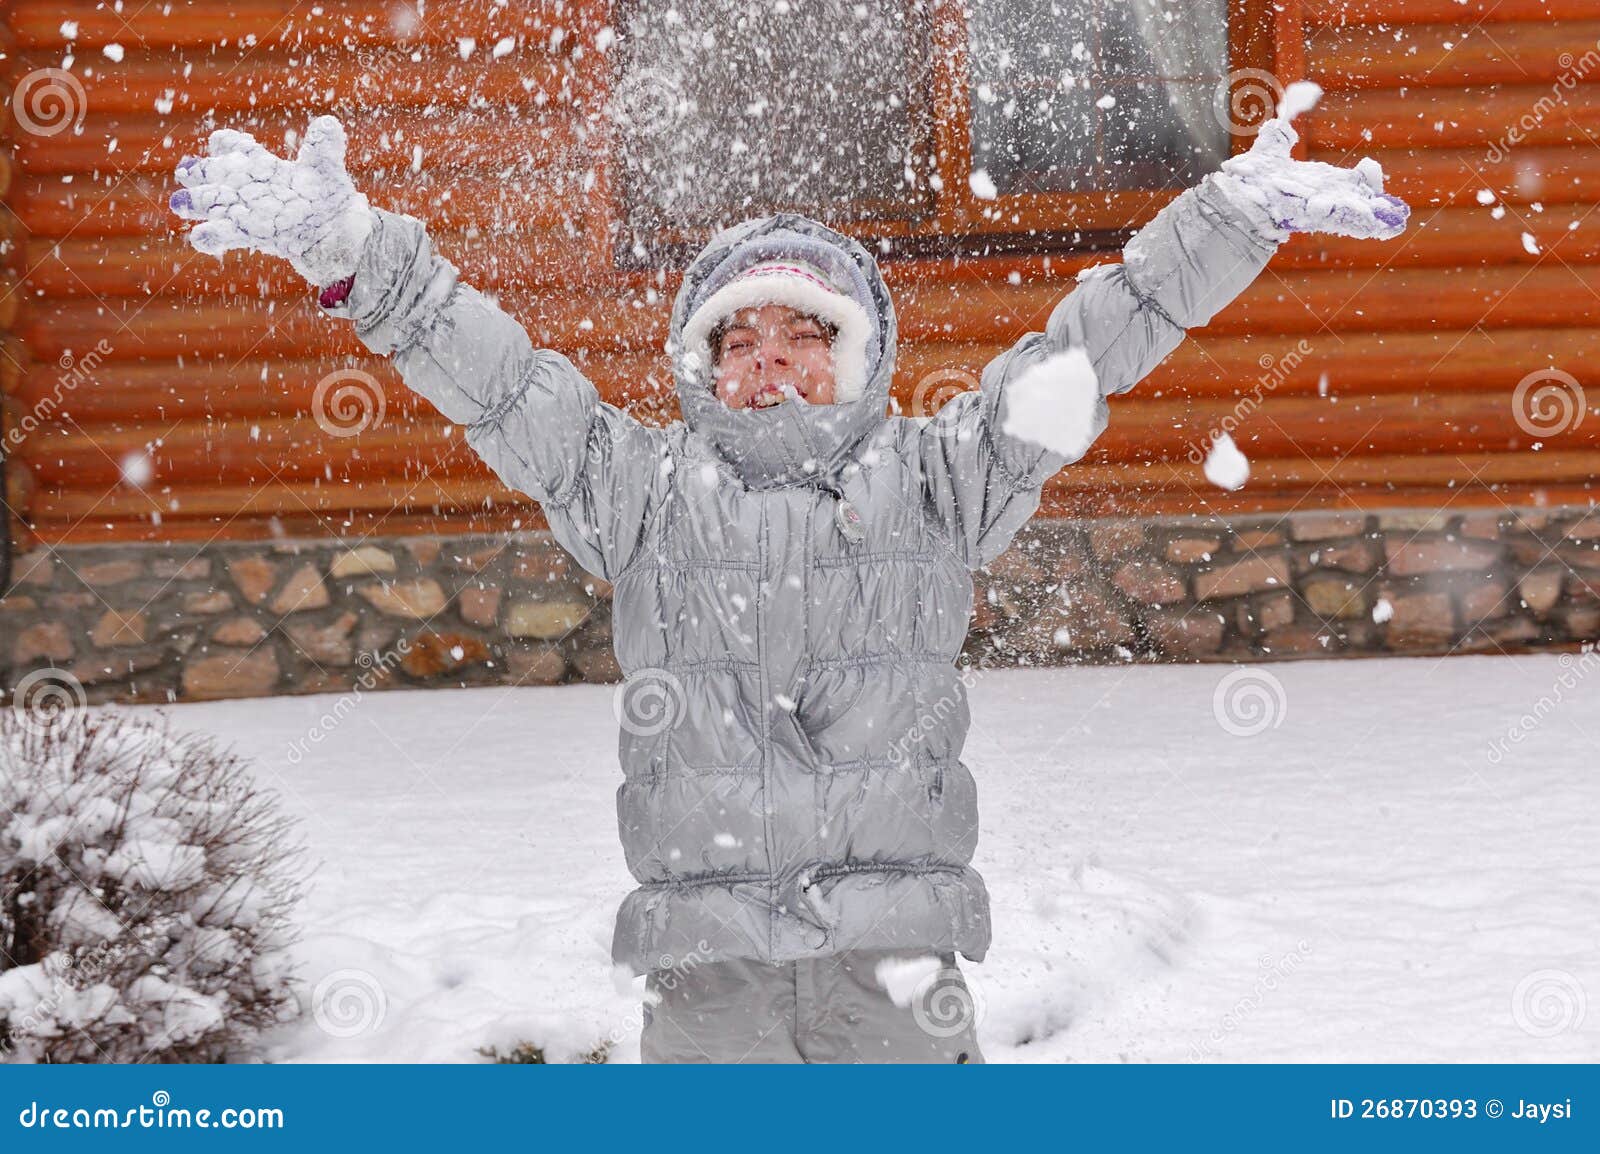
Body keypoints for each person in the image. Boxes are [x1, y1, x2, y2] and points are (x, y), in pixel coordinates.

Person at [169, 104, 1406, 1063]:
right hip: (708, 984)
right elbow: (494, 373)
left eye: (804, 339)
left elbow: (1099, 337)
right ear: (704, 368)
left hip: (899, 976)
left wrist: (1233, 215)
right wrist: (350, 249)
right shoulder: (636, 487)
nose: (771, 365)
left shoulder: (943, 478)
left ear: (855, 354)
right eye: (742, 344)